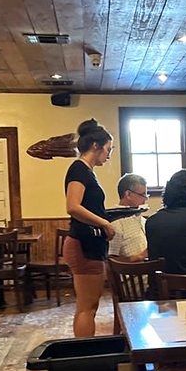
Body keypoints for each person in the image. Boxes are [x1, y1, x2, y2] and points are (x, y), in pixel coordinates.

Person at [63, 119, 115, 337]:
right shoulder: (79, 169)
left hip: (88, 244)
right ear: (96, 145)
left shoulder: (85, 170)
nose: (109, 155)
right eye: (108, 149)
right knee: (87, 308)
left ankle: (84, 351)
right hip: (83, 245)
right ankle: (84, 354)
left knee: (87, 307)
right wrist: (104, 223)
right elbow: (72, 207)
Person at [108, 173, 148, 261]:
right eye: (142, 195)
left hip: (150, 271)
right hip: (130, 273)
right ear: (128, 194)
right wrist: (140, 256)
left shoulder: (143, 220)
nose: (146, 199)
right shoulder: (116, 223)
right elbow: (110, 261)